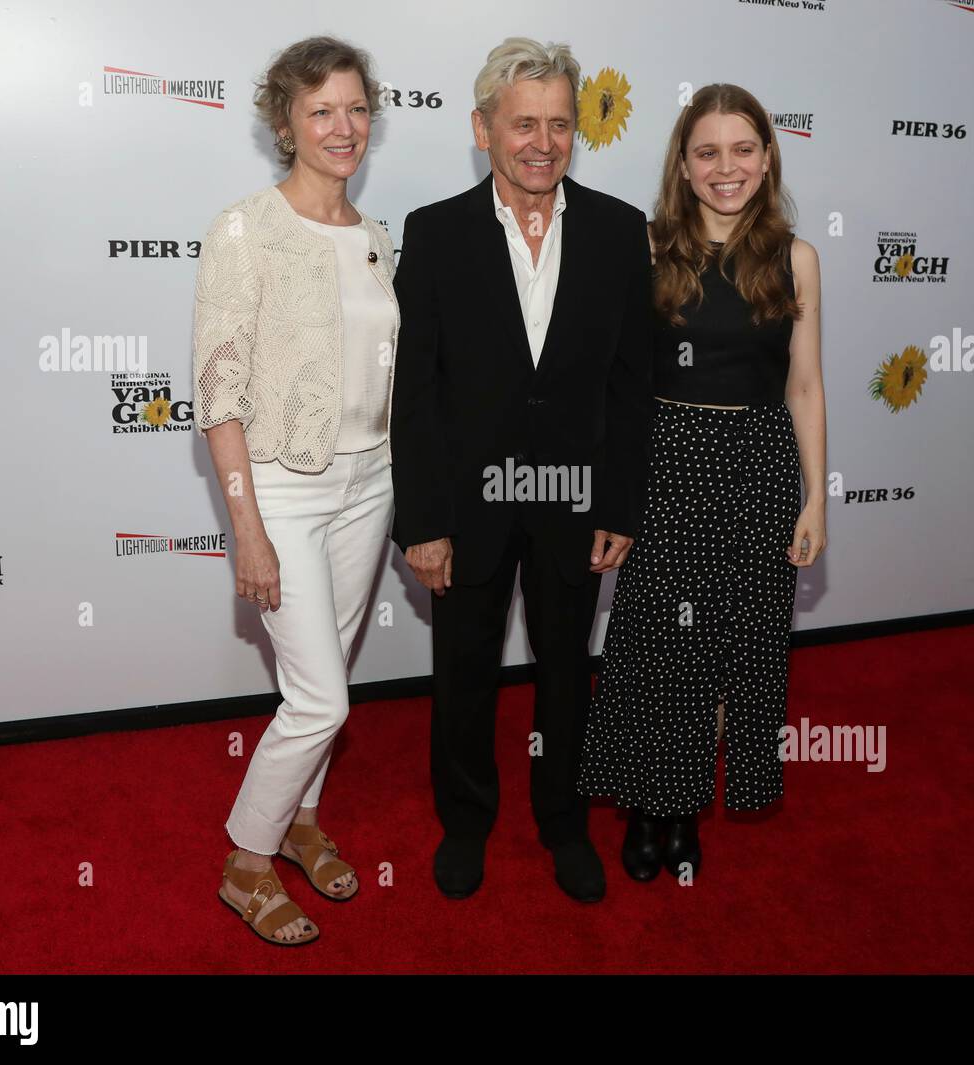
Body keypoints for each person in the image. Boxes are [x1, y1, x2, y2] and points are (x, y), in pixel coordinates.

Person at [390, 37, 653, 903]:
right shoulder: (433, 234)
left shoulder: (620, 231)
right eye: (523, 125)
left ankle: (565, 821)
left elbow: (629, 382)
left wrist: (617, 499)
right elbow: (416, 390)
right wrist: (423, 520)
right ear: (482, 129)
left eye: (560, 125)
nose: (543, 143)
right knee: (462, 668)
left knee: (568, 667)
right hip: (469, 504)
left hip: (576, 501)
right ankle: (466, 821)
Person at [577, 83, 827, 882]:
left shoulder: (796, 258)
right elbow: (616, 379)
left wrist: (817, 495)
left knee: (734, 648)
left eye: (744, 150)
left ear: (767, 157)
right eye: (708, 152)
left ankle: (686, 807)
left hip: (757, 464)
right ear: (684, 166)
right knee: (660, 648)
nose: (728, 168)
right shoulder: (646, 249)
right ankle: (650, 806)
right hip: (668, 461)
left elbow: (806, 386)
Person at [192, 36, 398, 945]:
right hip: (282, 486)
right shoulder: (245, 229)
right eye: (321, 111)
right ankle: (245, 860)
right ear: (285, 123)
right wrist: (248, 525)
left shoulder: (375, 237)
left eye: (355, 108)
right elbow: (218, 389)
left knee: (324, 679)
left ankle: (300, 823)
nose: (342, 127)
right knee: (321, 699)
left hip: (371, 483)